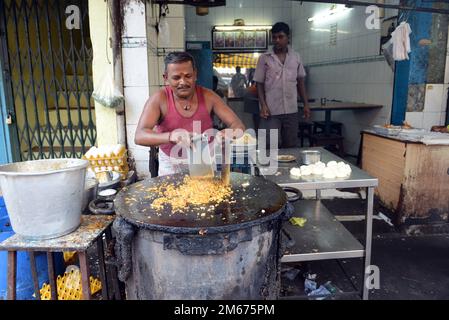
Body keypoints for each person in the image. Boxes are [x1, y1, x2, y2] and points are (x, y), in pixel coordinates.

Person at [135, 51, 245, 176]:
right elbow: (139, 136)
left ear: (195, 75)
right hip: (171, 164)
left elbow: (238, 125)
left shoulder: (209, 96)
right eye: (176, 78)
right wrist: (171, 136)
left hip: (204, 160)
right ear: (166, 78)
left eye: (188, 76)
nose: (183, 82)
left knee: (207, 194)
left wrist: (228, 134)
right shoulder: (159, 99)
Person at [254, 22, 311, 148]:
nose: (277, 40)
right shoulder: (265, 58)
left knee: (290, 146)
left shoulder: (296, 57)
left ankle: (289, 168)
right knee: (269, 146)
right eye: (274, 37)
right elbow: (259, 84)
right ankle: (268, 168)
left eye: (280, 37)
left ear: (288, 37)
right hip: (270, 111)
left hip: (291, 110)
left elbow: (300, 82)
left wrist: (306, 104)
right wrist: (263, 105)